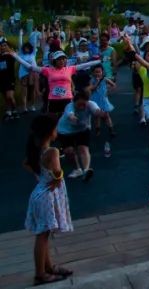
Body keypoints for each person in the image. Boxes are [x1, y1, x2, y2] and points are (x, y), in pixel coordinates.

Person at [24, 114, 73, 284]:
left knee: (44, 234)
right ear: (49, 132)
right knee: (42, 236)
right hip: (46, 196)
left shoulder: (36, 150)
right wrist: (57, 178)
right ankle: (40, 274)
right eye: (55, 128)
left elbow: (27, 164)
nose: (57, 130)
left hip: (39, 193)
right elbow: (58, 172)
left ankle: (48, 267)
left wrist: (41, 176)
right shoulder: (52, 151)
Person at [14, 50, 98, 116]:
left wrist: (99, 61)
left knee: (68, 119)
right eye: (59, 59)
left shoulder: (70, 69)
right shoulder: (47, 70)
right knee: (52, 122)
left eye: (63, 59)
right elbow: (30, 67)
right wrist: (14, 55)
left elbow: (86, 64)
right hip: (53, 99)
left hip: (67, 99)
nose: (62, 61)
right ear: (54, 61)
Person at [54, 90, 101, 181]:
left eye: (84, 104)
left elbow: (96, 111)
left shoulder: (91, 104)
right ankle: (77, 169)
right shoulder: (69, 106)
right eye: (79, 105)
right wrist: (73, 118)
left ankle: (86, 170)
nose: (82, 107)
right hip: (65, 131)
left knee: (83, 148)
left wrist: (99, 113)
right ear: (74, 102)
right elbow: (70, 115)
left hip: (82, 130)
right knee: (69, 151)